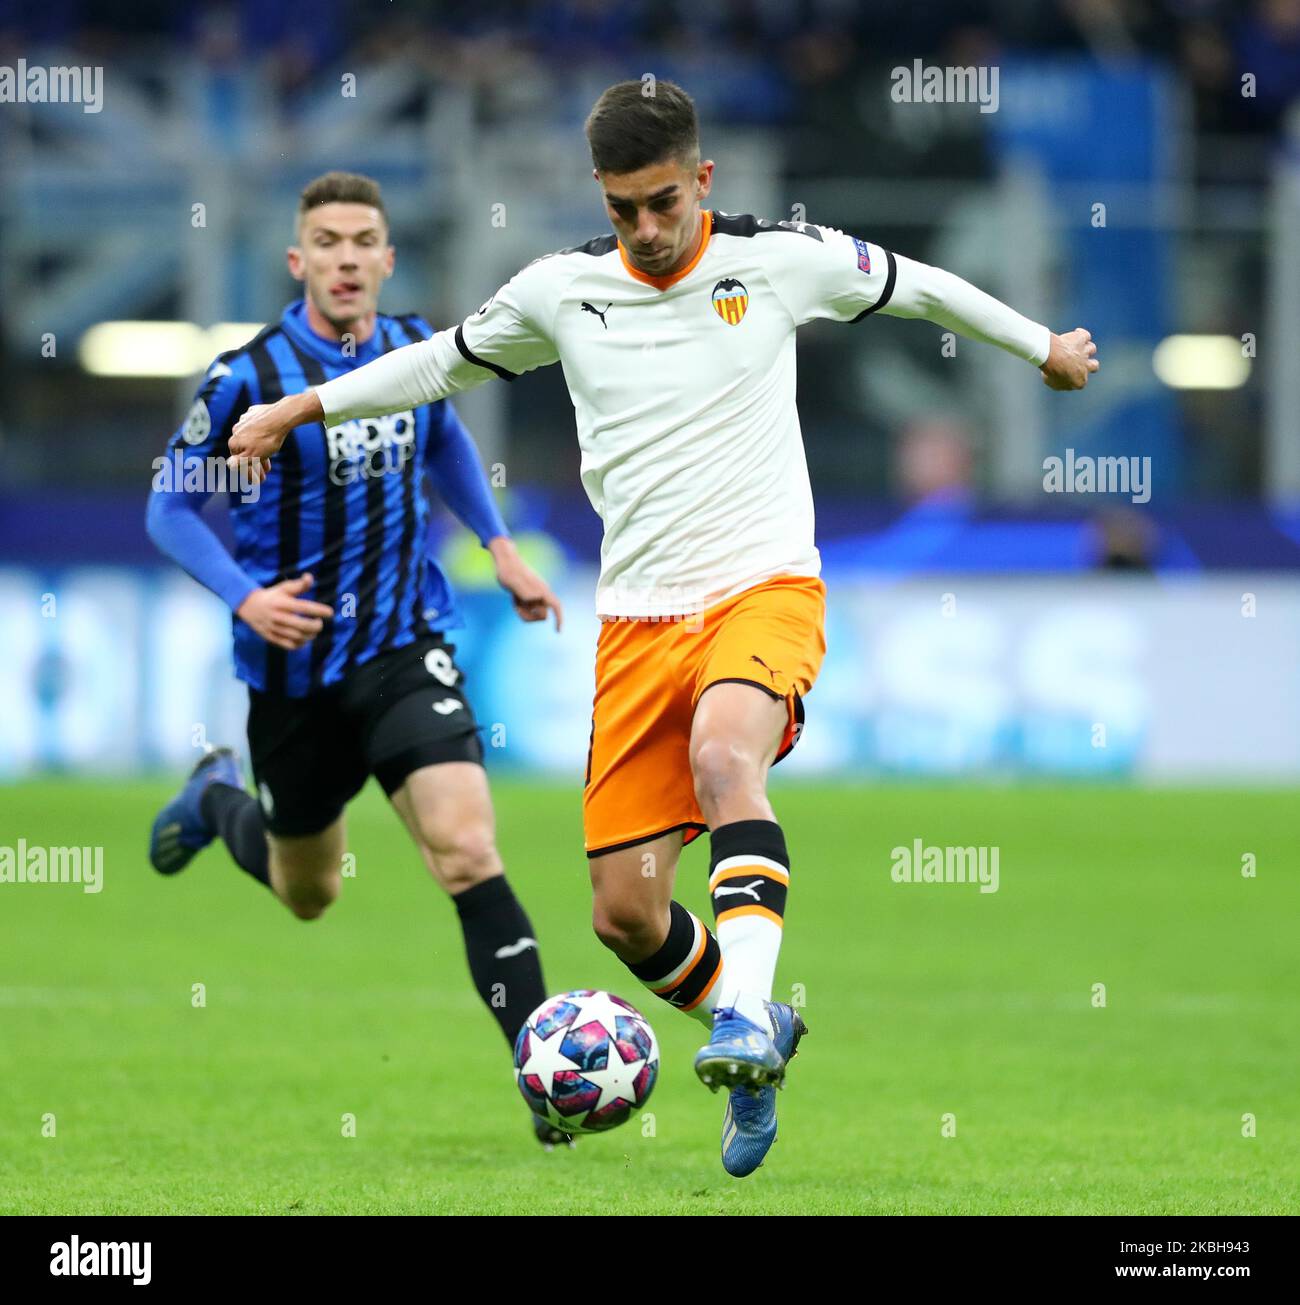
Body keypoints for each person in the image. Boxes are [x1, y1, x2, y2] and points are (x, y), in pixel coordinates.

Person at [225, 85, 1100, 1177]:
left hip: (762, 590)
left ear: (703, 181)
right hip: (637, 624)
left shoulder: (782, 261)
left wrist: (1040, 346)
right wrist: (297, 407)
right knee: (626, 917)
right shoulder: (560, 291)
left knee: (726, 756)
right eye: (622, 207)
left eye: (661, 203)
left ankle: (742, 1016)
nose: (645, 229)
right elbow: (438, 361)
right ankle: (757, 1037)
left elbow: (918, 289)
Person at [145, 171, 572, 1149]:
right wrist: (246, 596)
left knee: (466, 848)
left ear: (386, 258)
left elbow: (448, 439)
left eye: (363, 240)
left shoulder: (410, 354)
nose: (346, 257)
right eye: (326, 241)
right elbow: (168, 506)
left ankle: (543, 1079)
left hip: (400, 644)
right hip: (291, 675)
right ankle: (218, 800)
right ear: (298, 262)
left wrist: (499, 545)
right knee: (311, 894)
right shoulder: (246, 377)